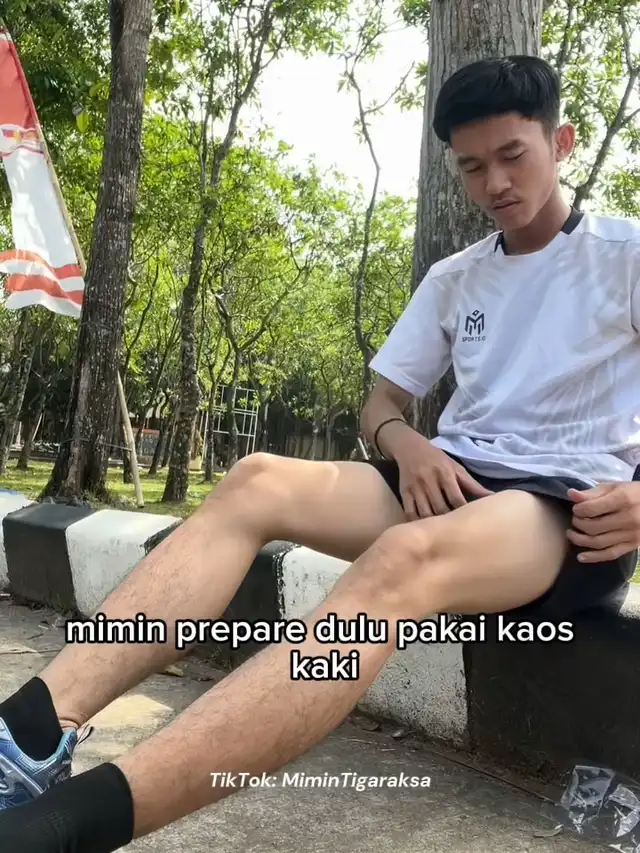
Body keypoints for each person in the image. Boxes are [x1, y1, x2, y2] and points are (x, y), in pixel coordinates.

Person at [1, 54, 640, 852]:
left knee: (402, 559)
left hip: (562, 511)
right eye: (472, 167)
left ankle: (60, 829)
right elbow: (380, 403)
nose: (496, 184)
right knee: (255, 479)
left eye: (513, 155)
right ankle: (25, 736)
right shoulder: (458, 277)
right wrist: (405, 444)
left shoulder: (624, 255)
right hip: (451, 482)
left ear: (561, 143)